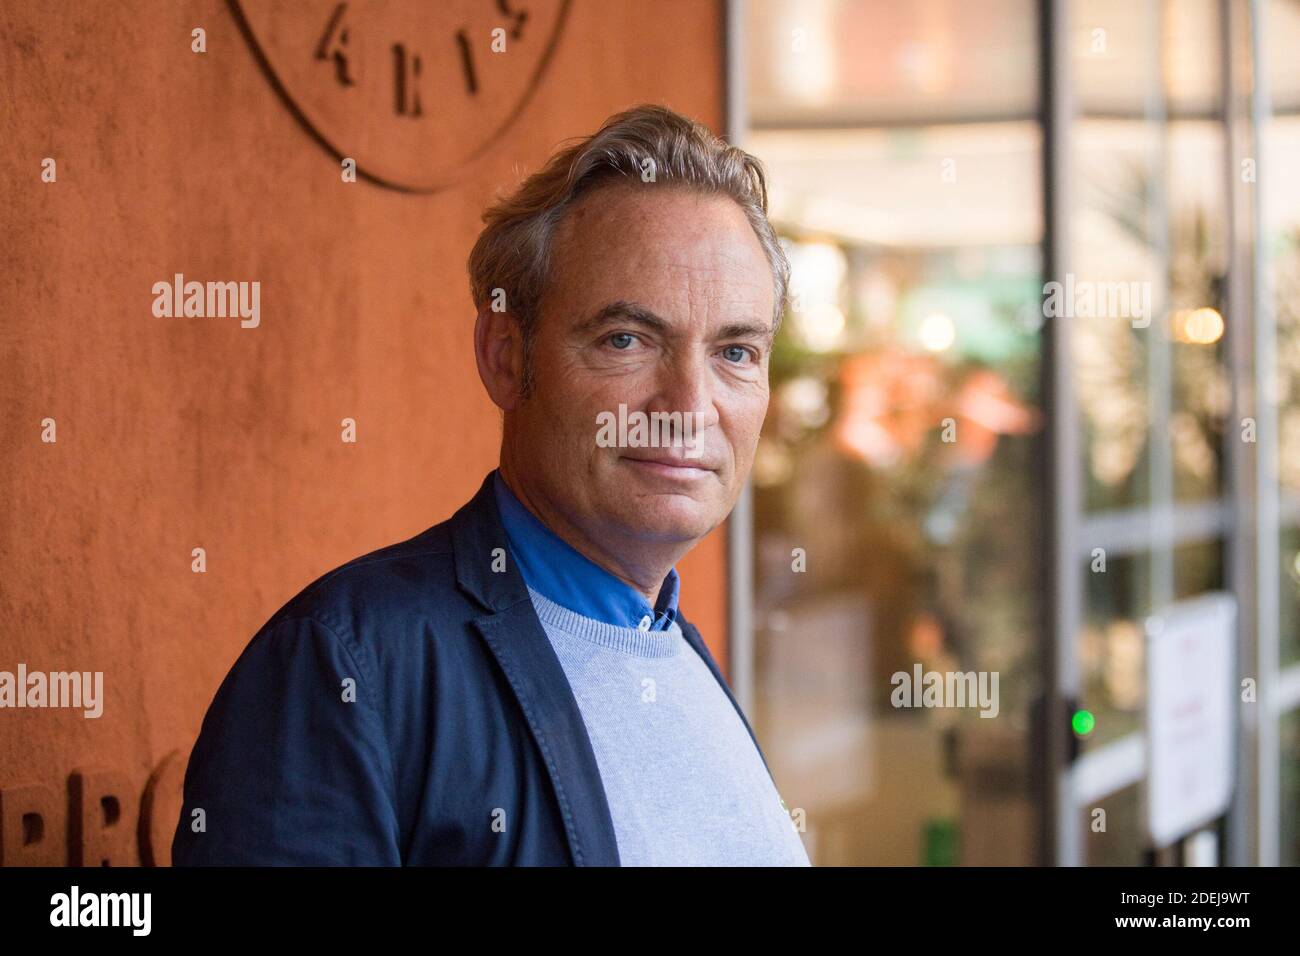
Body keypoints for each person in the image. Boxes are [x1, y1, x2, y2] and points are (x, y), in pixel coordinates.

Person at [171, 103, 810, 866]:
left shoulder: (676, 652)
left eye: (735, 352)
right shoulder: (345, 667)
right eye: (627, 339)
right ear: (506, 356)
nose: (688, 408)